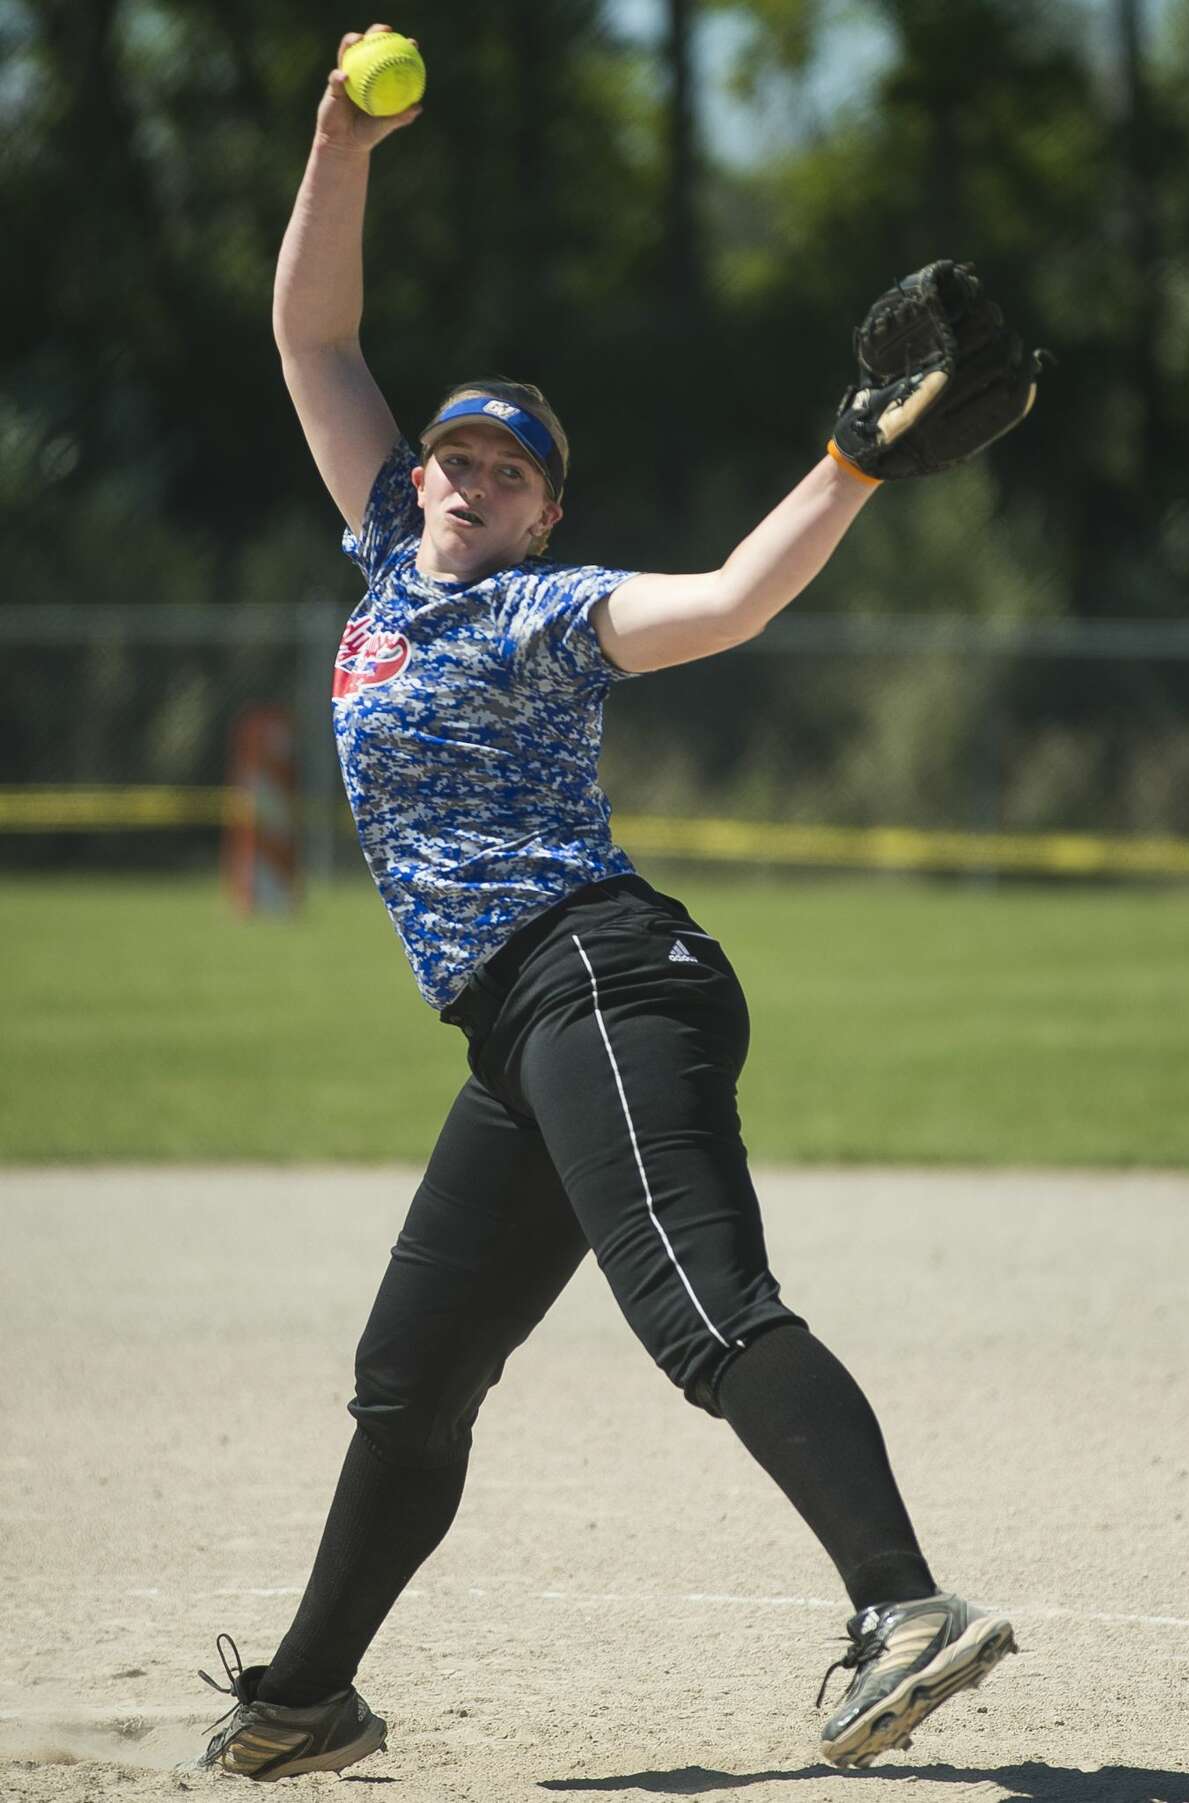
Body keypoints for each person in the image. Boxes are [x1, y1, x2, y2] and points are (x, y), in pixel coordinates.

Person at [186, 23, 1017, 1782]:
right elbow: (312, 336)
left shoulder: (539, 613)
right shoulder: (380, 572)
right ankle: (305, 1698)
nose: (470, 475)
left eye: (509, 468)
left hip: (605, 977)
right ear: (413, 480)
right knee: (411, 1374)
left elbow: (721, 604)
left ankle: (904, 1608)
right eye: (455, 456)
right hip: (516, 1028)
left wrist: (850, 467)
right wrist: (339, 140)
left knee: (700, 1308)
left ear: (545, 509)